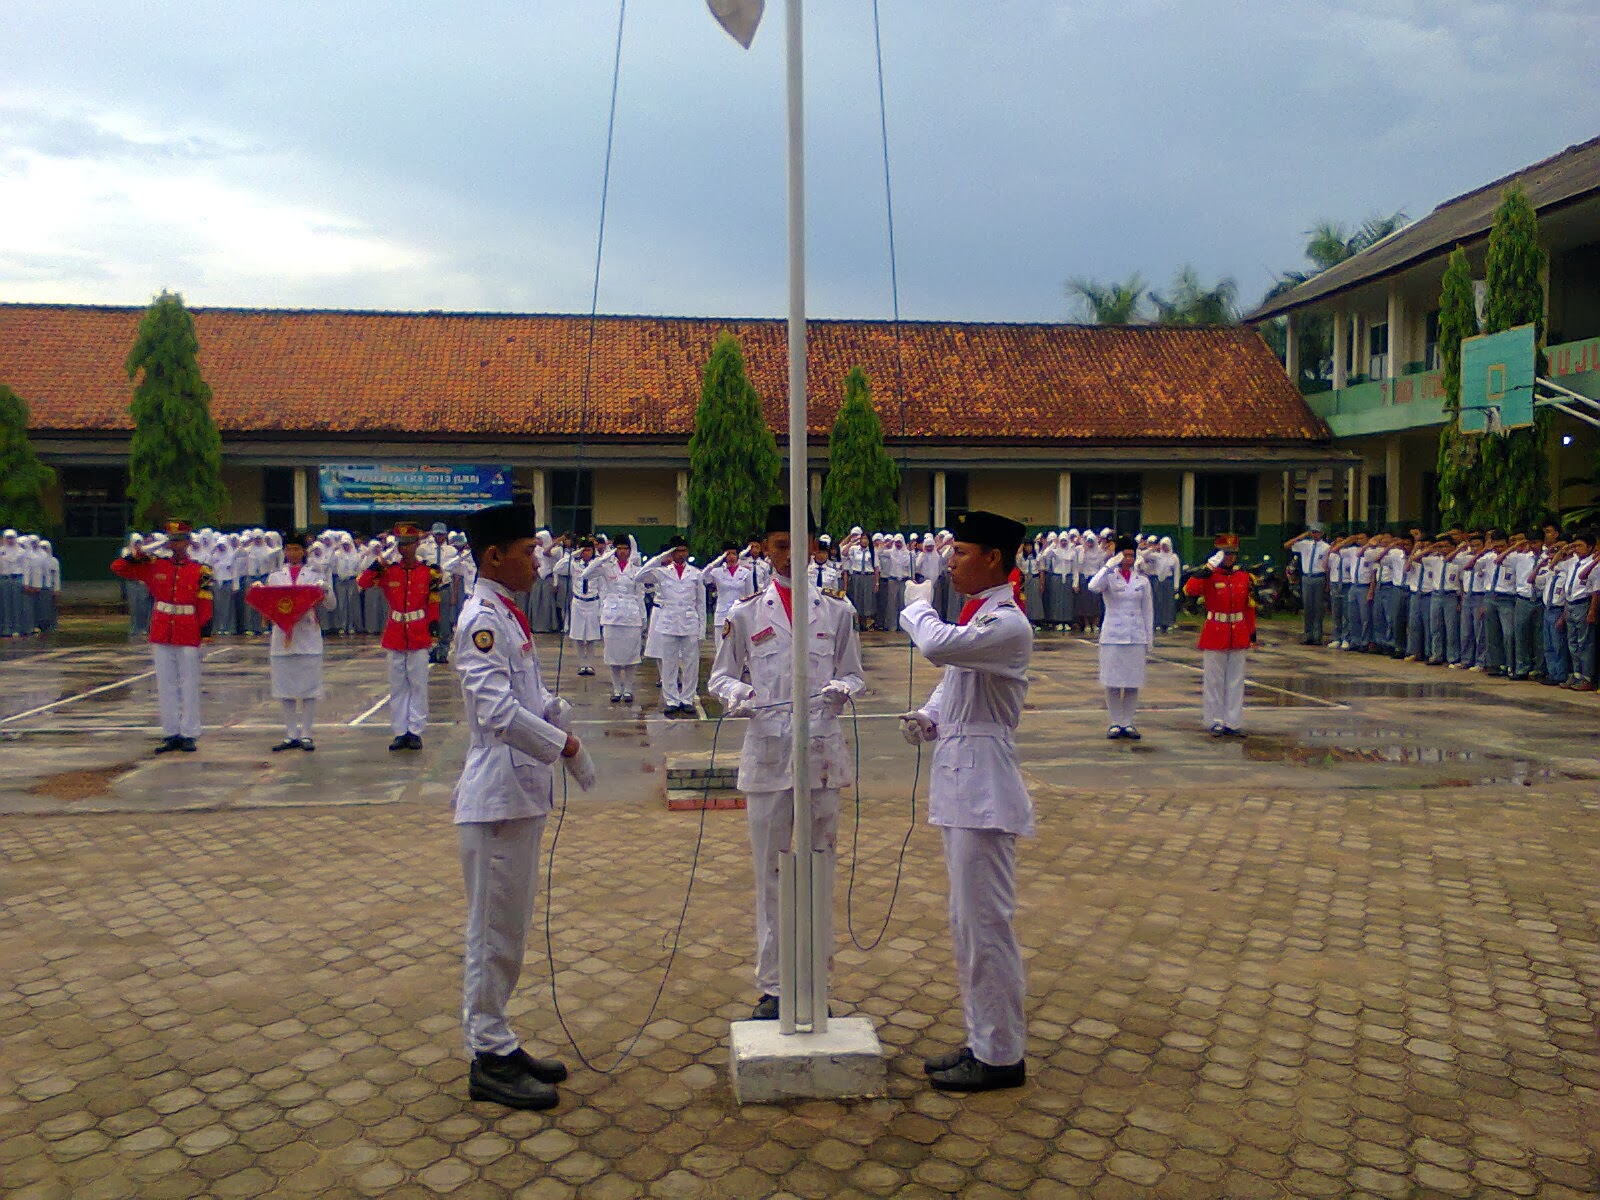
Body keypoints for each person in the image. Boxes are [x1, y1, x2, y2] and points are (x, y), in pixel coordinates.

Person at [450, 502, 596, 1111]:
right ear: (494, 557)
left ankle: (500, 1039)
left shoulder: (507, 615)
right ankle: (486, 1055)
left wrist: (556, 713)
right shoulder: (481, 620)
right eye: (528, 551)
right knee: (492, 931)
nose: (537, 560)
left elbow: (526, 696)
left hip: (520, 790)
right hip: (497, 796)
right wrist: (560, 741)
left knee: (509, 928)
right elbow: (496, 712)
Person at [707, 503, 863, 1022]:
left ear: (816, 547)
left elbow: (855, 674)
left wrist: (844, 688)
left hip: (820, 754)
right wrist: (740, 695)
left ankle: (815, 978)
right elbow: (720, 677)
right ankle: (774, 986)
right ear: (765, 550)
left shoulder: (838, 611)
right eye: (779, 545)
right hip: (770, 755)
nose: (790, 554)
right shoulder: (745, 612)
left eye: (800, 544)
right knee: (771, 872)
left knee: (819, 867)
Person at [899, 509, 1031, 1092]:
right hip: (960, 781)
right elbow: (951, 684)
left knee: (986, 925)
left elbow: (936, 647)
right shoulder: (981, 620)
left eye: (961, 551)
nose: (950, 561)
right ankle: (984, 1039)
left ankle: (1001, 1056)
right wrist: (929, 718)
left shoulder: (1008, 623)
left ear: (994, 559)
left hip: (984, 788)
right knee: (965, 924)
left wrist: (916, 605)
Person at [110, 519, 214, 753]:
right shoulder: (155, 564)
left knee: (189, 683)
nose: (175, 545)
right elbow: (118, 568)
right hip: (162, 629)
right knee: (165, 684)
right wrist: (141, 552)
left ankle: (188, 733)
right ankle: (170, 732)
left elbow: (205, 602)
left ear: (188, 542)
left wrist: (204, 631)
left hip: (188, 629)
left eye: (180, 540)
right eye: (172, 540)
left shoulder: (200, 569)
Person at [358, 522, 442, 750]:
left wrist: (433, 629)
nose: (405, 549)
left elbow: (433, 602)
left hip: (418, 631)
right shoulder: (389, 571)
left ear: (417, 544)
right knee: (397, 685)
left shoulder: (429, 572)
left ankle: (415, 730)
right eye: (401, 544)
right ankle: (400, 731)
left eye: (409, 544)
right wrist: (378, 563)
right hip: (395, 632)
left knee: (418, 684)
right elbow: (363, 583)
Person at [254, 532, 335, 751]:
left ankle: (307, 733)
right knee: (284, 688)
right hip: (282, 637)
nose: (293, 553)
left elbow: (331, 605)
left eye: (297, 549)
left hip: (307, 635)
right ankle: (290, 733)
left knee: (309, 687)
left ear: (304, 551)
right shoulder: (275, 577)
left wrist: (324, 589)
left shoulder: (314, 575)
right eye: (289, 549)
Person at [1183, 533, 1255, 737]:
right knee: (1214, 680)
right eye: (1226, 553)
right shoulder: (1209, 575)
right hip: (1216, 630)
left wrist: (1251, 635)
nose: (1230, 557)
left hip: (1238, 631)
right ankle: (1214, 720)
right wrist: (1207, 568)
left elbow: (1249, 607)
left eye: (1233, 553)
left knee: (1235, 680)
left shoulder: (1243, 577)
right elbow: (1190, 590)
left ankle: (1233, 722)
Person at [1088, 535, 1154, 740]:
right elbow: (1092, 586)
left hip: (1135, 635)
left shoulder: (1141, 581)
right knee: (1113, 681)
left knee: (1133, 682)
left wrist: (1149, 640)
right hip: (1113, 635)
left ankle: (1128, 722)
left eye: (1131, 555)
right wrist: (1109, 565)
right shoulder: (1109, 578)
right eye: (1124, 555)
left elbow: (1148, 611)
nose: (1128, 559)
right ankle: (1116, 722)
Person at [638, 535, 707, 718]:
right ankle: (671, 700)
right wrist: (660, 558)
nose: (680, 554)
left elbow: (701, 603)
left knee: (691, 663)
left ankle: (687, 698)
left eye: (683, 550)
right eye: (676, 550)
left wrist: (701, 629)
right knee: (669, 663)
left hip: (689, 621)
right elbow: (639, 576)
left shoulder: (696, 573)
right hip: (668, 622)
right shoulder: (662, 571)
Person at [584, 534, 645, 703]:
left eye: (625, 548)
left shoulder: (636, 568)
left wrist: (643, 617)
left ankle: (628, 689)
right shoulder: (607, 566)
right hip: (611, 615)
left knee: (632, 655)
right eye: (619, 548)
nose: (622, 552)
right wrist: (605, 556)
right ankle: (616, 688)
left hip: (631, 616)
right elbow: (586, 574)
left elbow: (640, 593)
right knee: (613, 655)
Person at [553, 538, 602, 675]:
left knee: (592, 636)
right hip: (578, 601)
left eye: (588, 550)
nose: (586, 553)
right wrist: (573, 554)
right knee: (579, 635)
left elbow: (602, 587)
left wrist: (602, 607)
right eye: (583, 550)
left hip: (593, 601)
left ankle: (590, 664)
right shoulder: (574, 564)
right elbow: (557, 568)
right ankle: (582, 664)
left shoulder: (597, 565)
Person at [706, 542, 755, 656]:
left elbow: (750, 595)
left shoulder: (745, 572)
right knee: (721, 649)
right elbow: (703, 577)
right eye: (728, 554)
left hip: (739, 613)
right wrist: (718, 561)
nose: (731, 557)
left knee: (738, 650)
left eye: (734, 553)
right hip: (722, 614)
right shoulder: (716, 572)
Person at [1285, 526, 1330, 645]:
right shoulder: (1305, 544)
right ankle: (1307, 634)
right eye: (1313, 532)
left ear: (1322, 533)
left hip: (1319, 577)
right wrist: (1303, 535)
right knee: (1308, 607)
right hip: (1306, 577)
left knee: (1318, 608)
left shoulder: (1326, 547)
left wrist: (1327, 582)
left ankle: (1317, 635)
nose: (1315, 535)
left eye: (1317, 532)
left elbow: (1328, 566)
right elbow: (1287, 545)